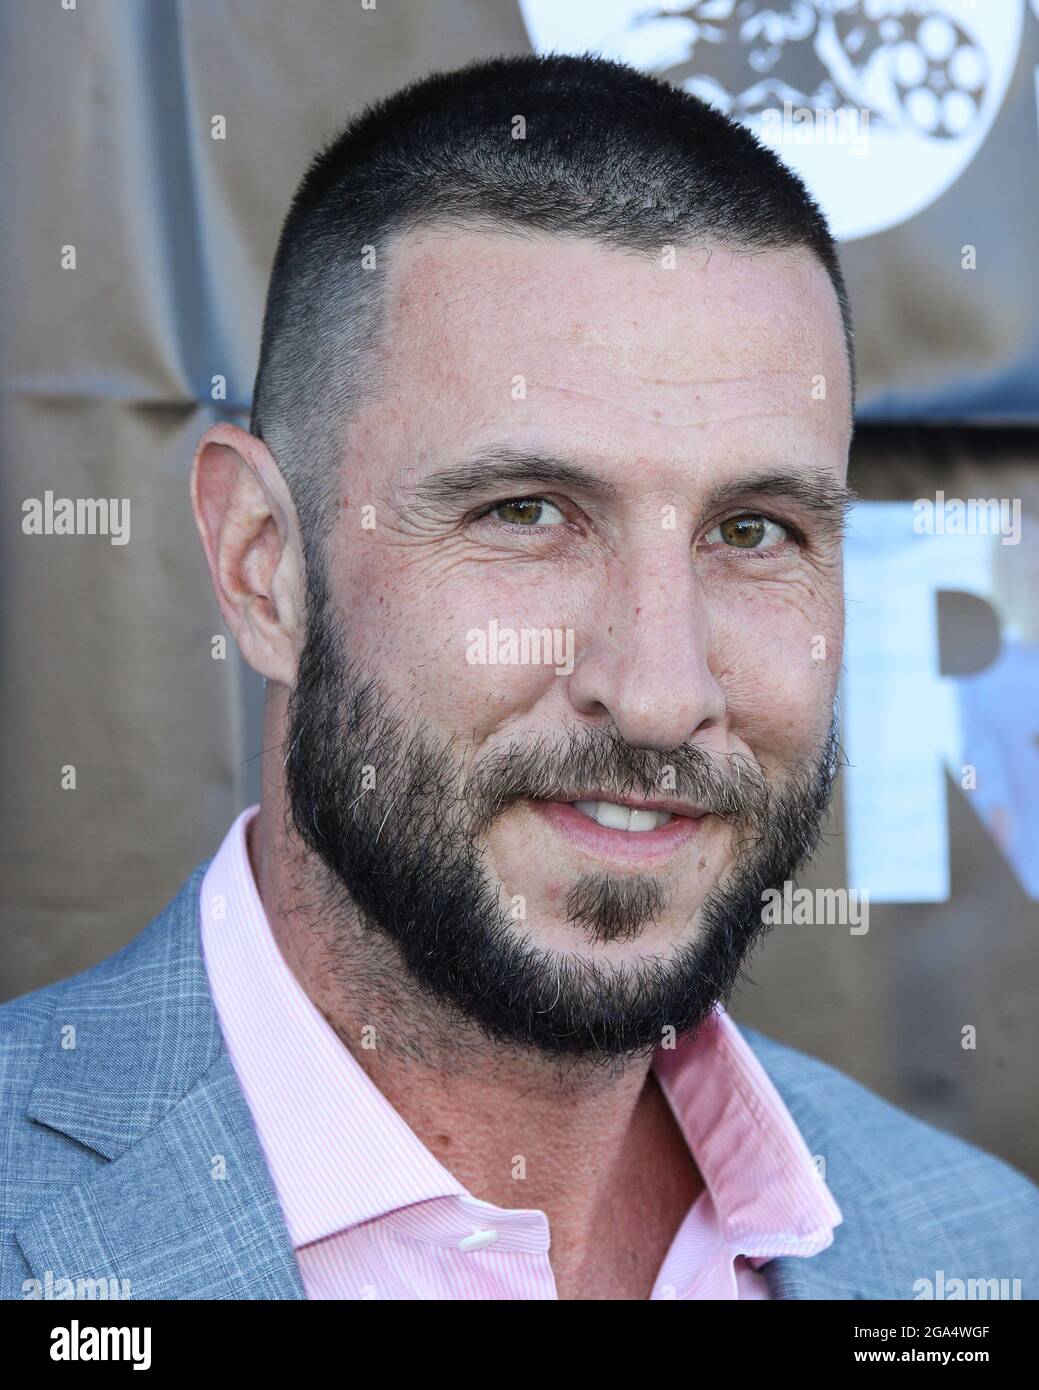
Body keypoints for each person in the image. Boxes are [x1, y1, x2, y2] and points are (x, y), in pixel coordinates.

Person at [2, 53, 1036, 1301]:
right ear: (263, 564)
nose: (658, 692)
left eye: (753, 530)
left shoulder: (981, 1255)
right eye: (527, 512)